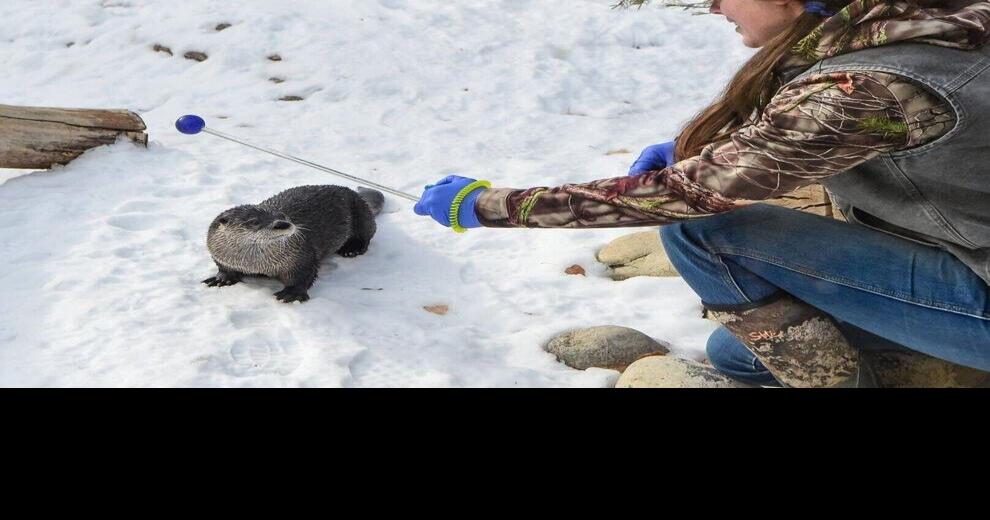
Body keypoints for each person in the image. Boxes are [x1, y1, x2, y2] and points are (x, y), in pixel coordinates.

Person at [413, 0, 990, 387]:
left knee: (703, 233)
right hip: (963, 260)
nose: (714, 6)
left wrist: (486, 205)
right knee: (740, 354)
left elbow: (686, 197)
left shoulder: (862, 89)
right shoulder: (937, 28)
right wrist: (716, 148)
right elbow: (832, 135)